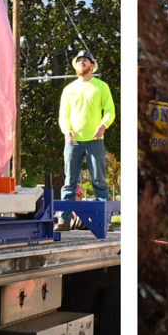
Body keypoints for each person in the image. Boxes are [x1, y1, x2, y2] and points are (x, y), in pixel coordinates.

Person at [56, 50, 115, 231]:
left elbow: (110, 111)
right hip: (72, 141)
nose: (82, 62)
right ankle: (64, 221)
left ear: (92, 65)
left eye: (85, 60)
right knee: (69, 181)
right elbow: (63, 115)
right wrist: (66, 131)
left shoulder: (101, 87)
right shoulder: (69, 89)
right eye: (79, 60)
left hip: (95, 140)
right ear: (76, 68)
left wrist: (103, 125)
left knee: (99, 180)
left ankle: (105, 221)